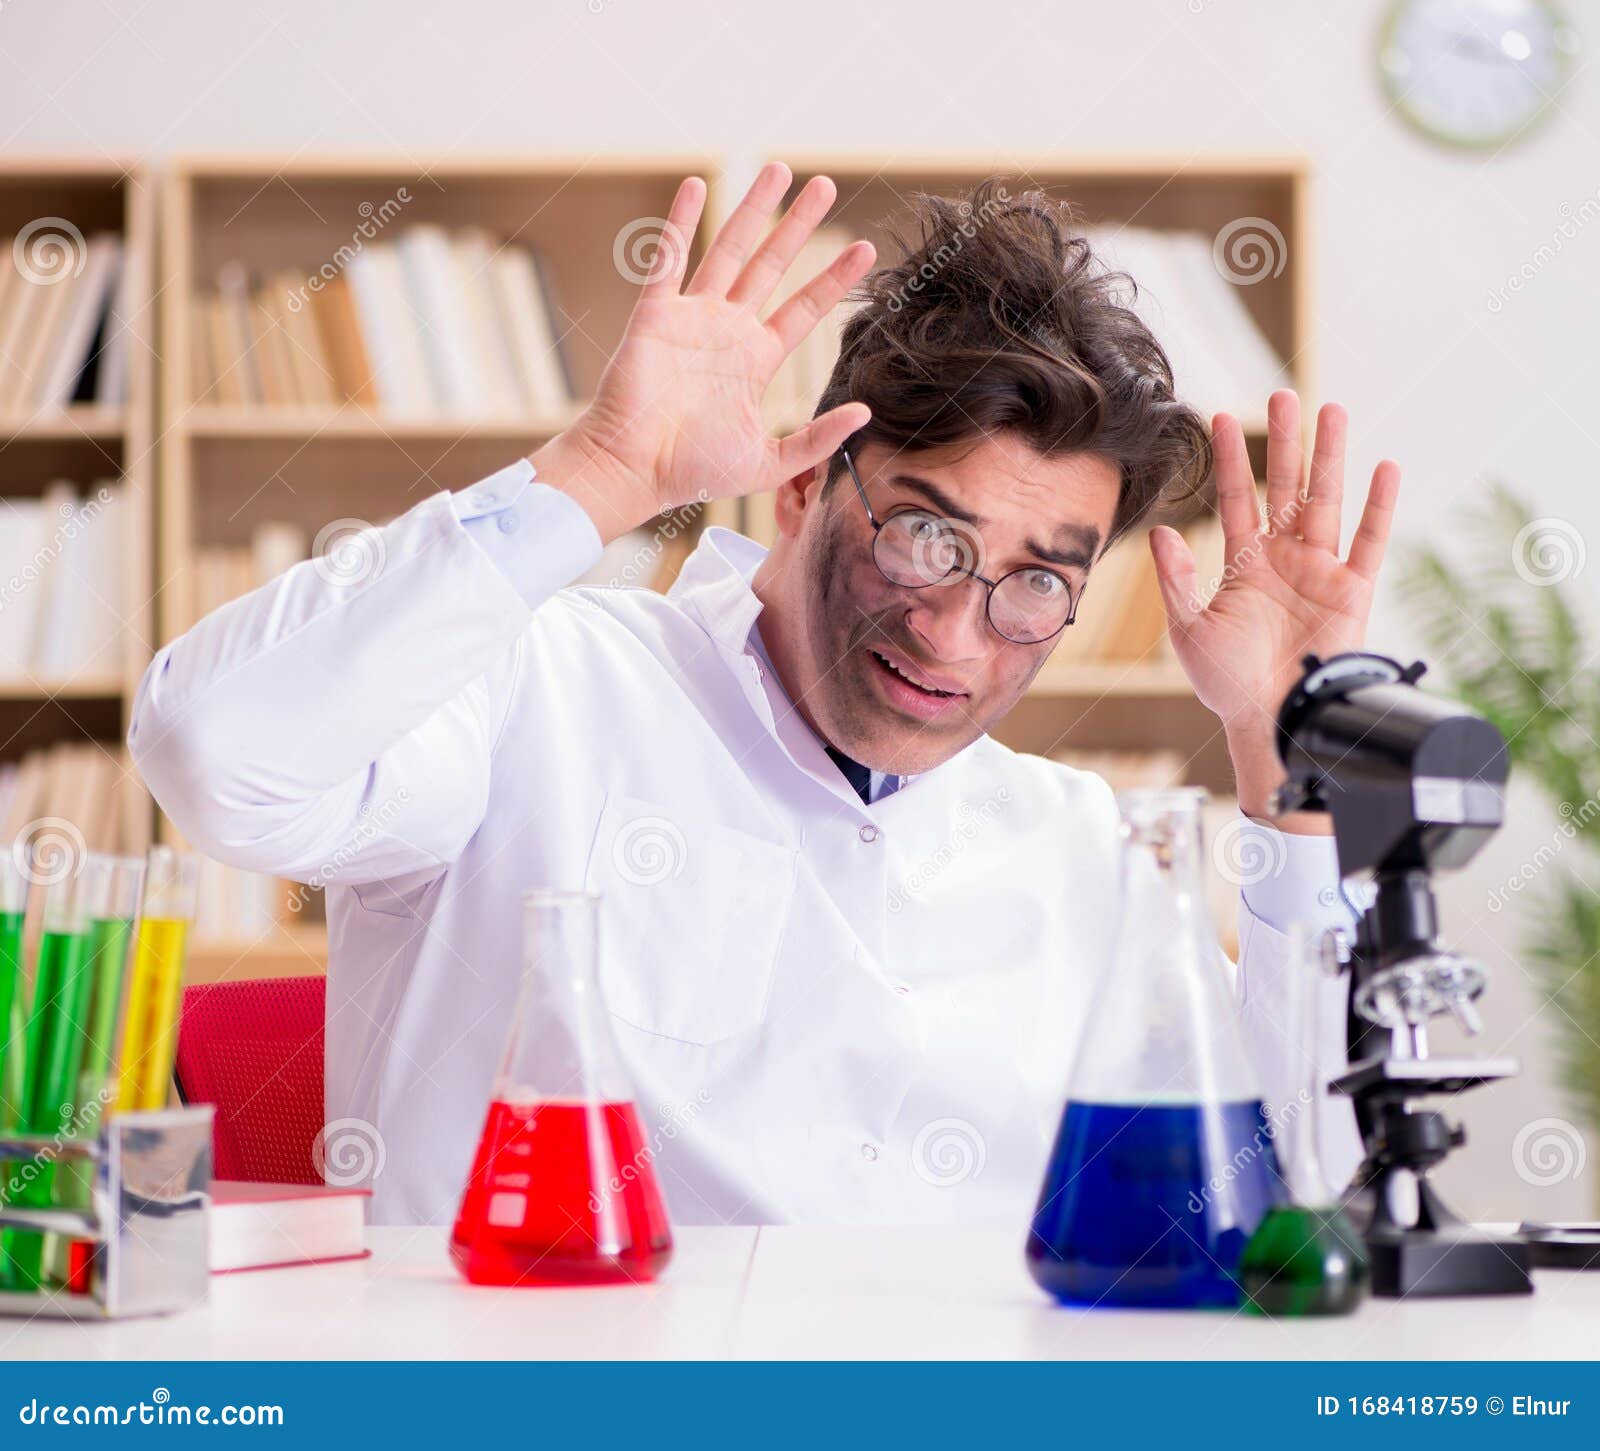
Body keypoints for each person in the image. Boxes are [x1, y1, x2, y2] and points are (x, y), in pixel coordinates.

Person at [131, 164, 1399, 1226]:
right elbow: (214, 756)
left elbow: (1312, 1184)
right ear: (803, 490)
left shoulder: (1081, 846)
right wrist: (602, 470)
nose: (957, 628)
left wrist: (1278, 750)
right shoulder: (536, 685)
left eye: (1033, 582)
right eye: (922, 536)